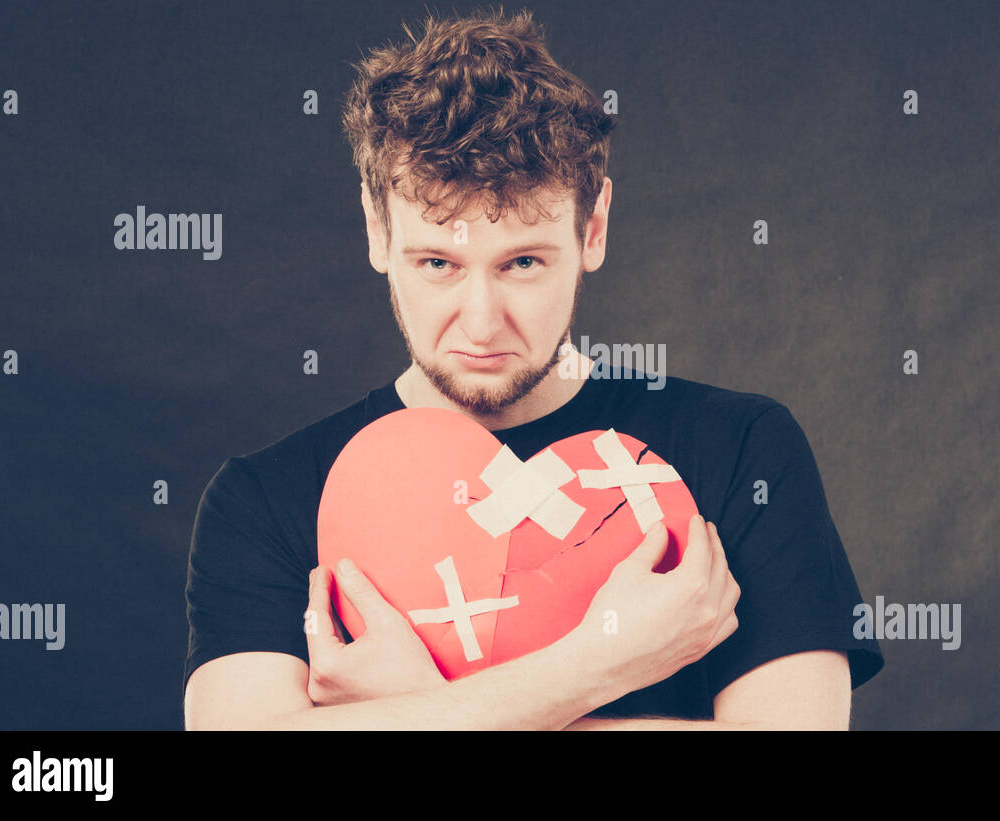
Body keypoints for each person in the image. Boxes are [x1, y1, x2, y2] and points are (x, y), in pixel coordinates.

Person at [182, 7, 882, 730]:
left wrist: (416, 706)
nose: (481, 321)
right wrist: (600, 663)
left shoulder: (741, 449)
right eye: (438, 264)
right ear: (375, 228)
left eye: (522, 262)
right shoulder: (264, 500)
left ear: (594, 227)